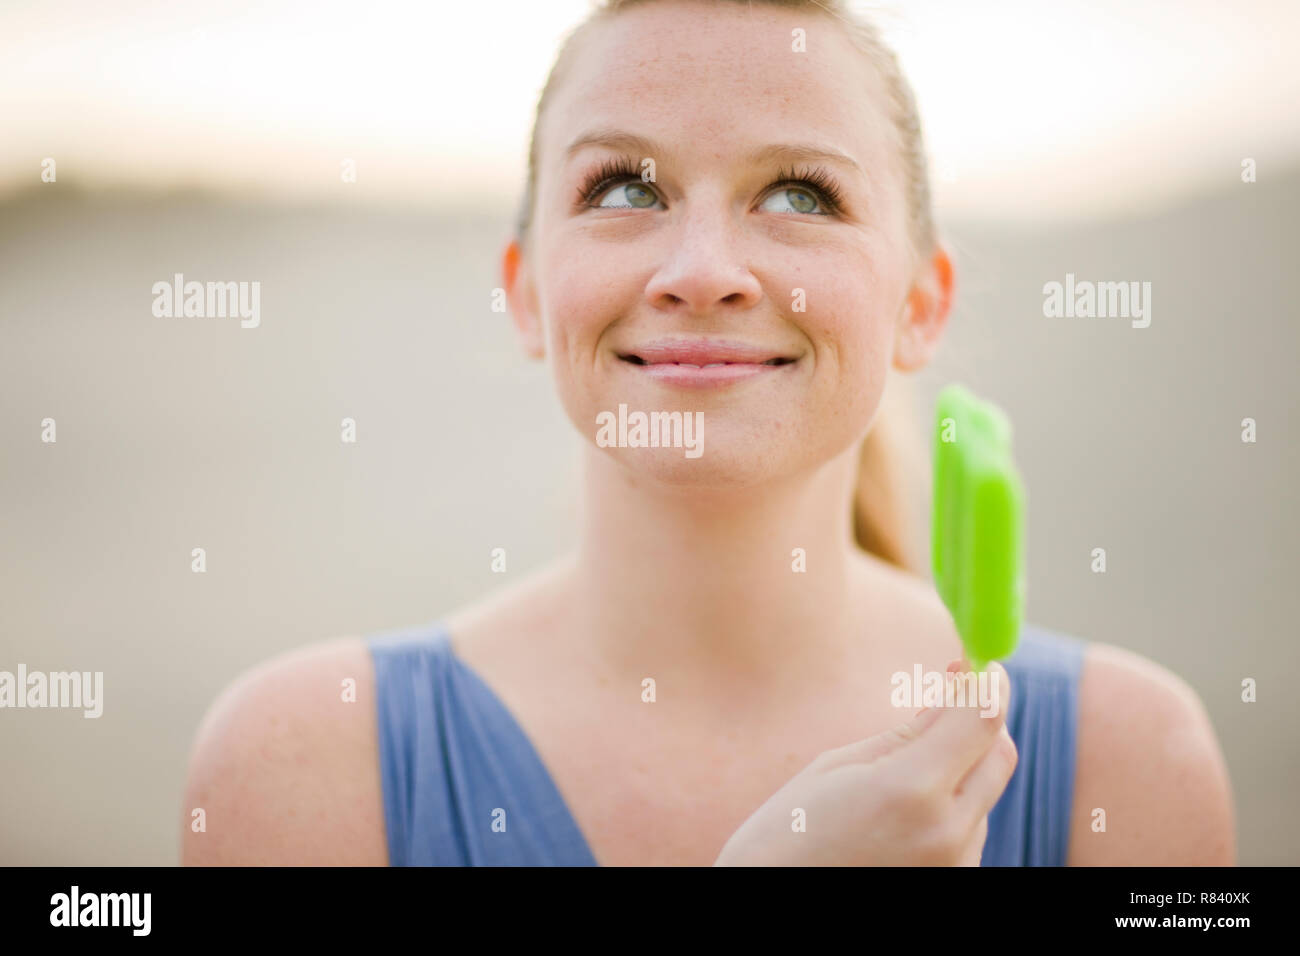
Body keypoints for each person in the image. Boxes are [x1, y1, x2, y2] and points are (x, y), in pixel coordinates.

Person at [180, 0, 1235, 866]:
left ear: (919, 303)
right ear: (524, 292)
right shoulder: (296, 762)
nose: (700, 270)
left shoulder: (1128, 762)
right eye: (626, 186)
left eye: (798, 193)